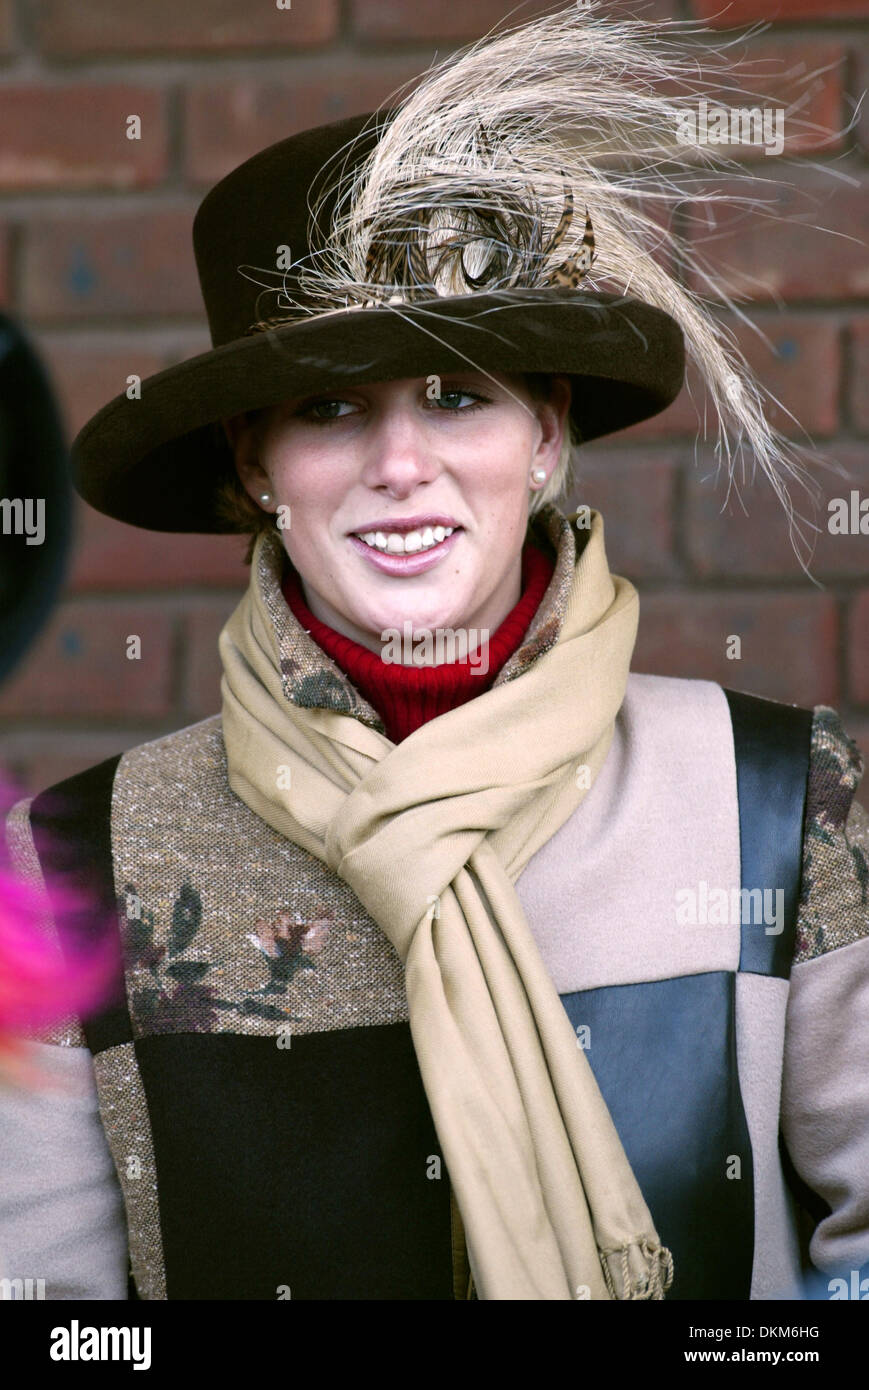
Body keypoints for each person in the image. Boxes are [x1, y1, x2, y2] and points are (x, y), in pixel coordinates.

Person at [1, 5, 867, 1302]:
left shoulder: (784, 802)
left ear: (544, 435)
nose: (401, 464)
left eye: (459, 394)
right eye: (330, 406)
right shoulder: (74, 864)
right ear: (255, 462)